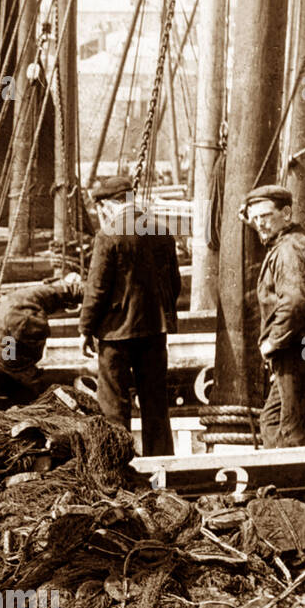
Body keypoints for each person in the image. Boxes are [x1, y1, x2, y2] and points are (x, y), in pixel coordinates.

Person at [78, 174, 181, 457]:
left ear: (109, 205)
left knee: (114, 405)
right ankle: (161, 463)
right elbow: (175, 283)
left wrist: (85, 329)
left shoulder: (108, 235)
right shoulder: (162, 231)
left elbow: (97, 289)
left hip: (116, 334)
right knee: (156, 404)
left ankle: (117, 465)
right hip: (155, 331)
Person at [243, 184, 305, 448]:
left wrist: (272, 341)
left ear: (287, 214)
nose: (260, 224)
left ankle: (294, 484)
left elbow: (294, 302)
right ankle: (287, 480)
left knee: (292, 427)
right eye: (255, 218)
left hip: (297, 348)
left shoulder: (288, 251)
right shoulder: (300, 242)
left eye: (266, 216)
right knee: (276, 420)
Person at [0, 275, 84, 416]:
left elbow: (74, 290)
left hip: (3, 351)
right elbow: (29, 377)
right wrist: (76, 376)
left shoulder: (33, 298)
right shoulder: (4, 345)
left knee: (28, 398)